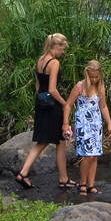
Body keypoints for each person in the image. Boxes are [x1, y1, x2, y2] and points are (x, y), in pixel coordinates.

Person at [15, 34, 75, 191]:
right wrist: (65, 103)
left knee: (57, 141)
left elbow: (39, 86)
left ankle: (63, 178)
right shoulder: (54, 63)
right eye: (62, 49)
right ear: (55, 47)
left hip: (41, 103)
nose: (63, 52)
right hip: (52, 105)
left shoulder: (41, 60)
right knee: (48, 141)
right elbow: (52, 89)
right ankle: (24, 172)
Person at [65, 60, 111, 197]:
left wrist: (109, 124)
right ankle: (82, 183)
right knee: (87, 155)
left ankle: (90, 184)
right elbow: (68, 104)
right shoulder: (80, 86)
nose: (93, 79)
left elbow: (103, 106)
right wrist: (65, 122)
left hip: (96, 124)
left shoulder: (100, 88)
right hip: (83, 123)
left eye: (96, 77)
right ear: (87, 73)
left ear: (100, 75)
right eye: (91, 76)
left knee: (95, 155)